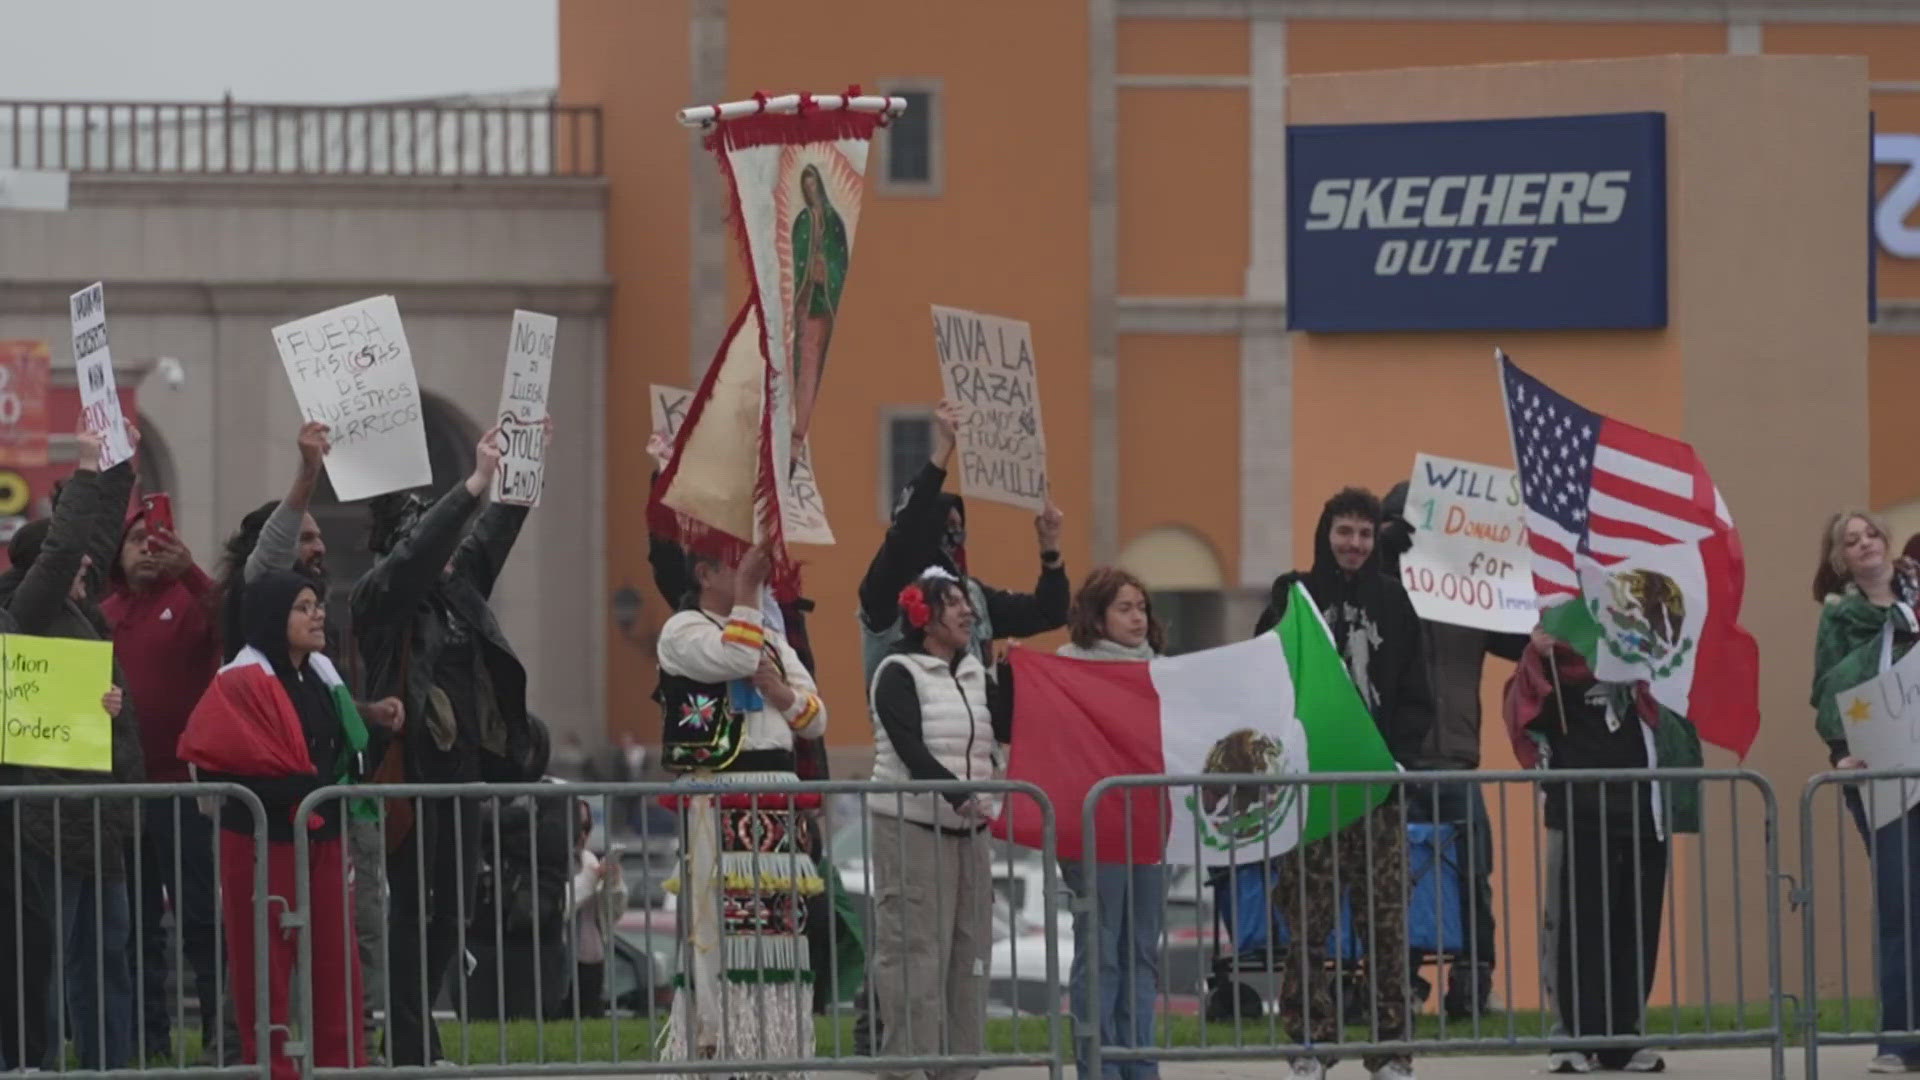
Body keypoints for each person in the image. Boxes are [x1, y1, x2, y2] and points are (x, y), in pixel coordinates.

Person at [349, 425, 548, 1066]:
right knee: (412, 909)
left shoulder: (459, 592)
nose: (443, 547)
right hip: (412, 773)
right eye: (422, 531)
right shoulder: (380, 598)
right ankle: (409, 1045)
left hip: (461, 772)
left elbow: (493, 535)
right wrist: (471, 488)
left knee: (453, 913)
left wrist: (521, 467)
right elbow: (415, 560)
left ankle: (416, 1035)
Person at [177, 569, 403, 1080]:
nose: (318, 614)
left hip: (322, 838)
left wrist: (378, 731)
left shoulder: (324, 676)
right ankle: (271, 1069)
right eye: (304, 607)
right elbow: (213, 762)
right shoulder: (238, 682)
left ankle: (341, 1066)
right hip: (263, 843)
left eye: (317, 604)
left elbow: (343, 755)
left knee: (335, 962)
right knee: (266, 969)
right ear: (272, 619)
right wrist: (298, 793)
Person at [1256, 487, 1433, 1080]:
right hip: (1311, 796)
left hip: (1379, 792)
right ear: (1325, 533)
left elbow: (1415, 693)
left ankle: (1390, 1052)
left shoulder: (1396, 601)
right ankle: (1309, 1043)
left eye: (1364, 533)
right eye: (1344, 532)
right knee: (1307, 921)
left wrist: (1402, 761)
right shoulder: (1293, 594)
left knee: (1385, 921)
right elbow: (1265, 669)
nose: (1354, 544)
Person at [0, 419, 147, 1072]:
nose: (90, 565)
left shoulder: (84, 618)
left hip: (96, 815)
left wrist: (119, 466)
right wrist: (87, 466)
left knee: (107, 955)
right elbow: (69, 548)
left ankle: (105, 1065)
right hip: (48, 820)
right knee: (51, 958)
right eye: (74, 565)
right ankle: (40, 1063)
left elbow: (93, 538)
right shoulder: (30, 615)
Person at [655, 543, 826, 1073]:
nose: (749, 573)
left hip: (776, 794)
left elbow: (815, 718)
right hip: (720, 791)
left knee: (775, 927)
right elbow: (734, 656)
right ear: (706, 574)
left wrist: (779, 693)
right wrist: (751, 596)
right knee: (721, 924)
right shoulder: (683, 630)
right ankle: (717, 1042)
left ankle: (772, 1042)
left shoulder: (771, 637)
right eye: (734, 565)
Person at [1505, 626, 1698, 1075]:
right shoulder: (1553, 656)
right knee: (1574, 924)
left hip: (1644, 805)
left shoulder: (1653, 644)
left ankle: (1623, 1037)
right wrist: (1538, 652)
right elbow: (1523, 710)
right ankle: (1571, 1036)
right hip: (1579, 807)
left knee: (1636, 923)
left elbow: (1681, 693)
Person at [100, 493, 242, 1062]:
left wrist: (193, 574)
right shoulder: (104, 613)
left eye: (157, 541)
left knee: (203, 921)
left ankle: (219, 1035)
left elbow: (234, 626)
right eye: (137, 541)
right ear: (119, 552)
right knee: (134, 926)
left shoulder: (191, 603)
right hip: (123, 792)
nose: (147, 551)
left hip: (184, 789)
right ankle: (147, 1040)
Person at [1377, 482, 1524, 1019]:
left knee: (1470, 877)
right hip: (1393, 760)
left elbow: (1521, 638)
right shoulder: (1380, 592)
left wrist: (1515, 570)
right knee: (1394, 880)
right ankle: (1403, 986)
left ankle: (1474, 986)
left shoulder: (1466, 592)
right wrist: (1387, 557)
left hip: (1456, 759)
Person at [867, 568, 1008, 1080]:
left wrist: (1010, 675)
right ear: (922, 615)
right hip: (911, 827)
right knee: (914, 954)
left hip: (969, 831)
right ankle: (908, 1068)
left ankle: (960, 1069)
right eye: (953, 603)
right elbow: (910, 747)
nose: (967, 611)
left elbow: (1006, 726)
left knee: (970, 954)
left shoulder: (973, 672)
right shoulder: (897, 671)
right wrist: (959, 794)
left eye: (967, 601)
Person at [1811, 510, 1920, 1074]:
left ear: (1886, 540)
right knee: (1901, 903)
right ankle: (1901, 1041)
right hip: (1880, 774)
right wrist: (1839, 753)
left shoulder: (1917, 600)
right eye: (1850, 542)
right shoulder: (1840, 619)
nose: (1864, 544)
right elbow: (1826, 691)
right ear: (1841, 560)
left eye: (1870, 534)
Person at [858, 400, 1068, 689]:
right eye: (946, 529)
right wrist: (944, 447)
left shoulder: (973, 598)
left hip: (977, 729)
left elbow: (1049, 612)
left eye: (959, 530)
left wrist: (1050, 547)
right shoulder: (887, 592)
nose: (955, 539)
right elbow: (906, 532)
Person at [1057, 567, 1167, 1080]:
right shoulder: (1065, 670)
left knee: (1141, 951)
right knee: (1100, 950)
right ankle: (1098, 1065)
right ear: (1097, 618)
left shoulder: (1162, 671)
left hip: (1147, 828)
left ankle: (1139, 1063)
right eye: (1124, 608)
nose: (1137, 617)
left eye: (1141, 607)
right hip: (1093, 830)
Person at [566, 798, 628, 1018]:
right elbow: (561, 907)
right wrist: (592, 878)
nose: (582, 836)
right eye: (576, 827)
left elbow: (613, 913)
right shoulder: (547, 860)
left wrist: (613, 882)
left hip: (592, 961)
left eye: (586, 828)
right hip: (561, 961)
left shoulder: (588, 859)